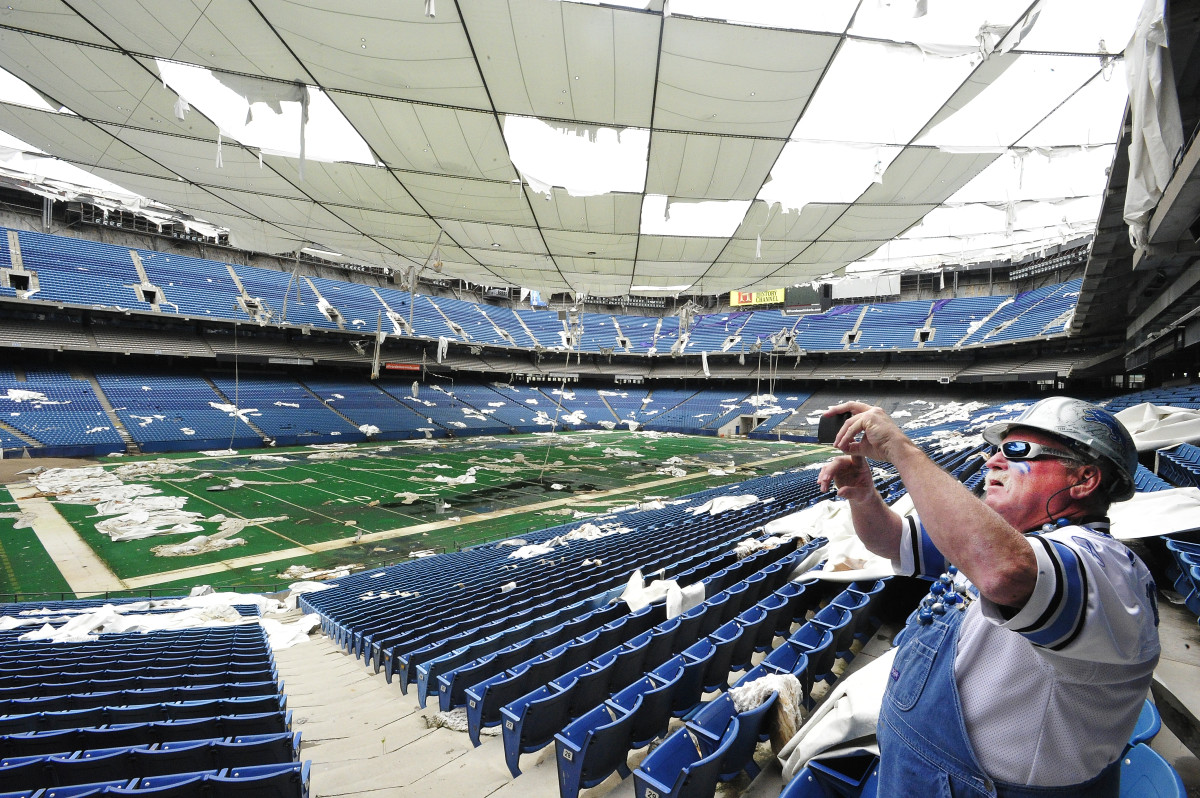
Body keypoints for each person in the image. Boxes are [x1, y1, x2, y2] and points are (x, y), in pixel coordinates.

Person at [817, 397, 1159, 797]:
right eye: (995, 450)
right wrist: (863, 496)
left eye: (1015, 451)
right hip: (920, 771)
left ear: (1084, 479)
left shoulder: (1106, 565)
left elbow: (1005, 574)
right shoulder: (1008, 540)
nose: (992, 462)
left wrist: (902, 450)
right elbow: (893, 540)